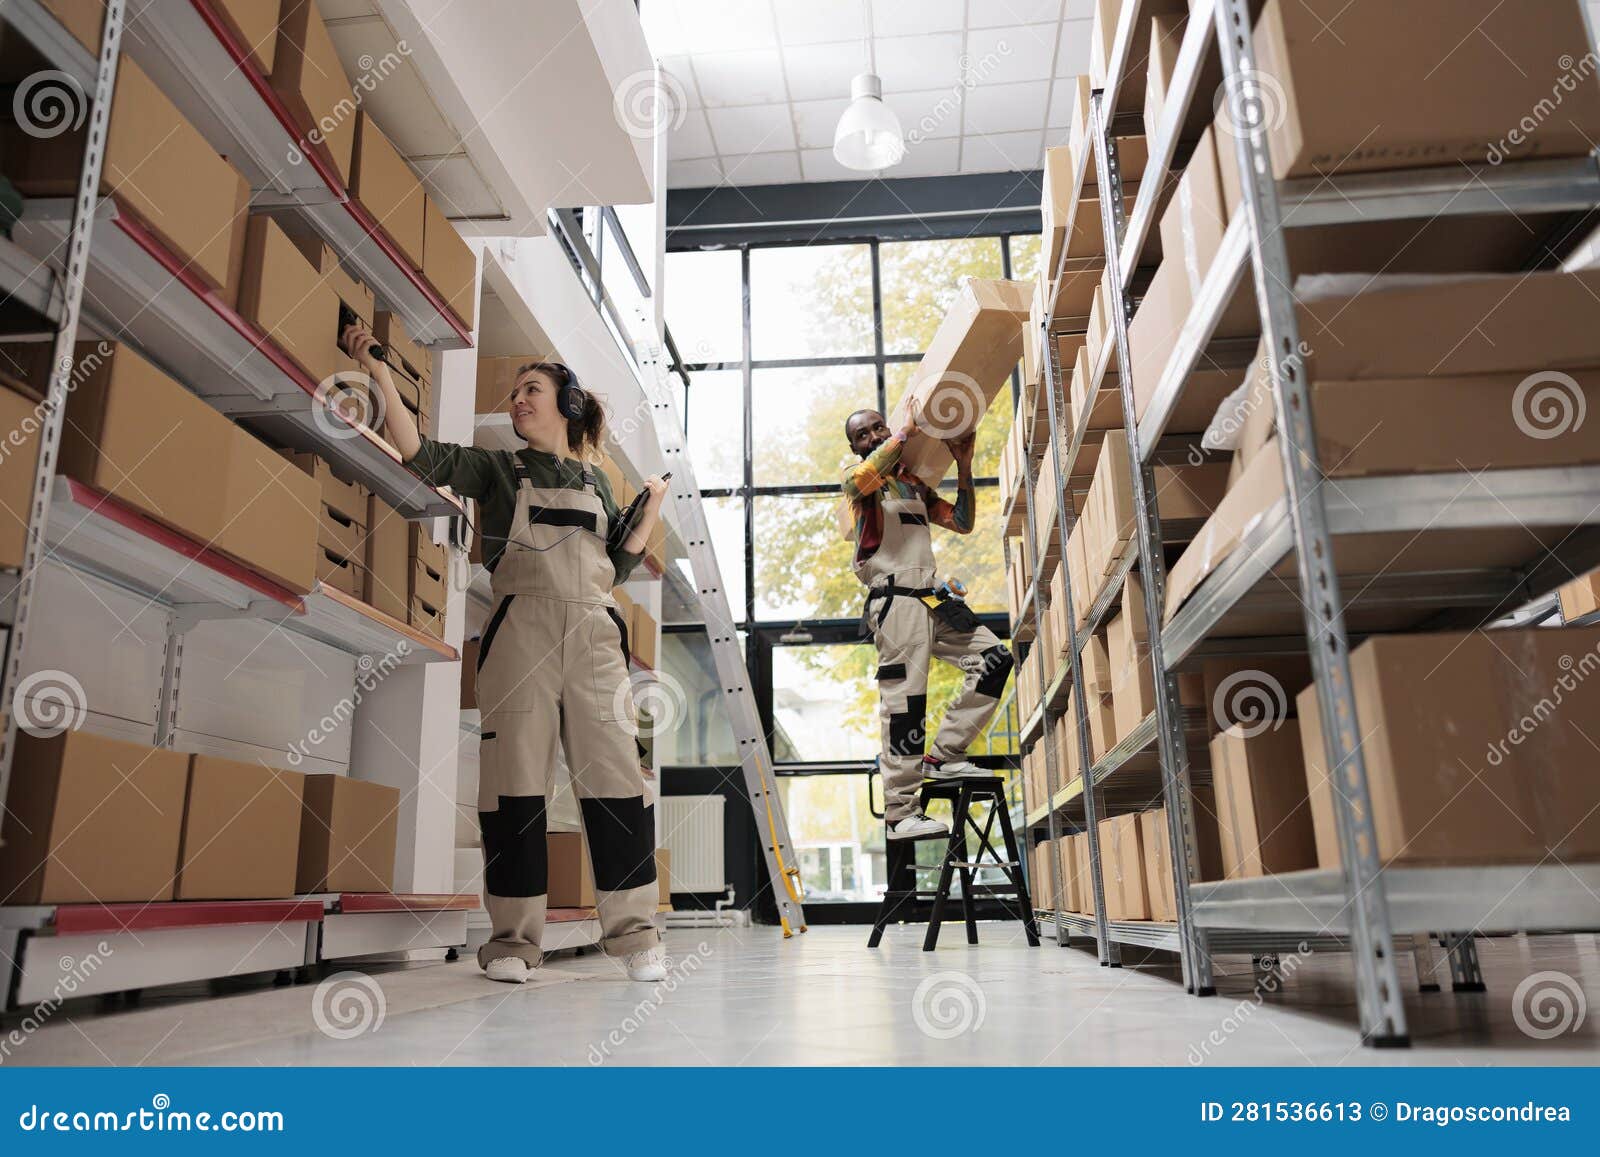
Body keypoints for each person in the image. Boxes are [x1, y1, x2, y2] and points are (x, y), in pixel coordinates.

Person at [341, 324, 667, 984]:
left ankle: (636, 937)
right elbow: (418, 452)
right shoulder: (497, 468)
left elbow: (616, 568)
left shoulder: (600, 484)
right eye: (515, 391)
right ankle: (514, 943)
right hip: (520, 640)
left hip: (599, 644)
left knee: (617, 787)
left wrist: (652, 507)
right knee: (514, 790)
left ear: (568, 405)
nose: (518, 400)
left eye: (532, 390)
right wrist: (375, 366)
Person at [842, 401, 1013, 840]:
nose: (875, 436)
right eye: (865, 434)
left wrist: (964, 463)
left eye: (879, 427)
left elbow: (962, 521)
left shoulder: (913, 486)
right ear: (855, 445)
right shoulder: (860, 486)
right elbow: (861, 478)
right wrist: (904, 433)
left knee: (995, 657)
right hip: (894, 601)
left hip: (934, 597)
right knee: (906, 704)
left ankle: (945, 754)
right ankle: (900, 813)